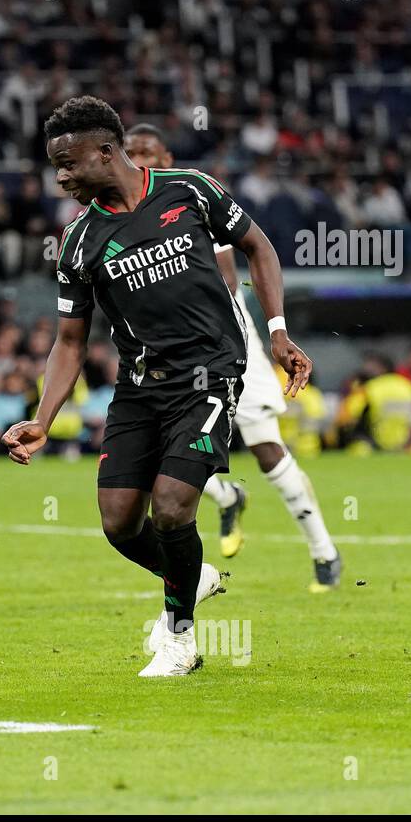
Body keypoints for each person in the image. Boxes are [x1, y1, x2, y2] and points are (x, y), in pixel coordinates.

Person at [2, 96, 312, 677]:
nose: (61, 178)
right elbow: (69, 342)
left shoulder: (188, 189)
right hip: (140, 386)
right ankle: (194, 577)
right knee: (119, 522)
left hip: (209, 374)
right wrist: (43, 419)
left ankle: (180, 637)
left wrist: (277, 332)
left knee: (171, 508)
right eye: (55, 168)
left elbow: (258, 246)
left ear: (106, 152)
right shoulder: (78, 242)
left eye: (68, 164)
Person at [124, 123, 341, 592]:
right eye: (132, 152)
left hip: (227, 338)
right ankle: (226, 497)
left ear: (166, 158)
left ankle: (324, 550)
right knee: (164, 448)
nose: (140, 159)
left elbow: (226, 277)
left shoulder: (188, 198)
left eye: (149, 152)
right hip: (169, 351)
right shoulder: (118, 218)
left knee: (265, 447)